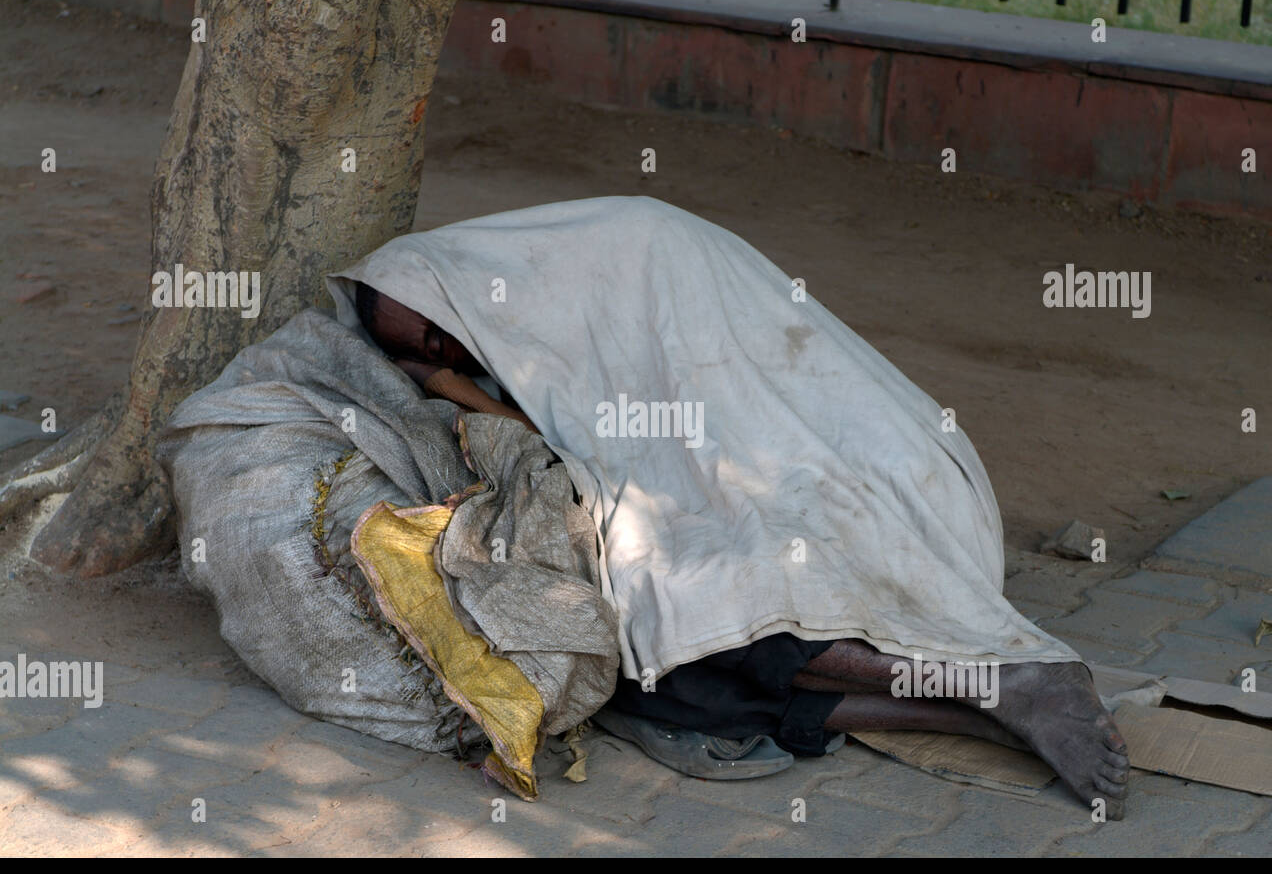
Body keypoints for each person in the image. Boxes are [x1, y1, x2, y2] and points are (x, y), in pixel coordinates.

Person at [355, 279, 1131, 819]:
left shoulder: (566, 281)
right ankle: (984, 713)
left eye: (431, 328)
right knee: (657, 685)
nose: (439, 352)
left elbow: (658, 396)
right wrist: (452, 386)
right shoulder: (486, 357)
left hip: (759, 469)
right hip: (652, 492)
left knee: (708, 605)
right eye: (419, 351)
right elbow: (554, 441)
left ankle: (995, 679)